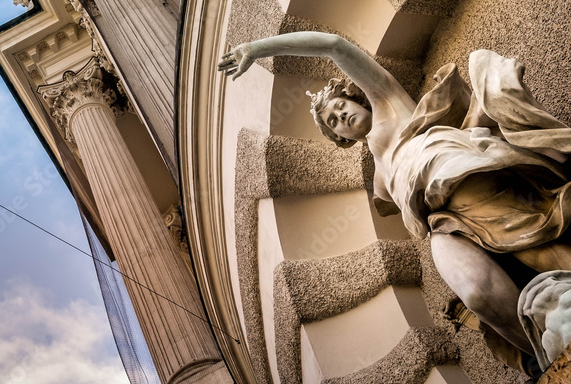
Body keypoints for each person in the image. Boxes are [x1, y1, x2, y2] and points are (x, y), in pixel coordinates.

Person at [218, 32, 571, 365]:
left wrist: (258, 49)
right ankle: (543, 357)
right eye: (333, 121)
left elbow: (334, 46)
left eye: (340, 105)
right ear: (338, 137)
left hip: (456, 178)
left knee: (528, 242)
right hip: (441, 224)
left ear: (357, 98)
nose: (340, 115)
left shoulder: (388, 104)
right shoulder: (381, 180)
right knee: (477, 293)